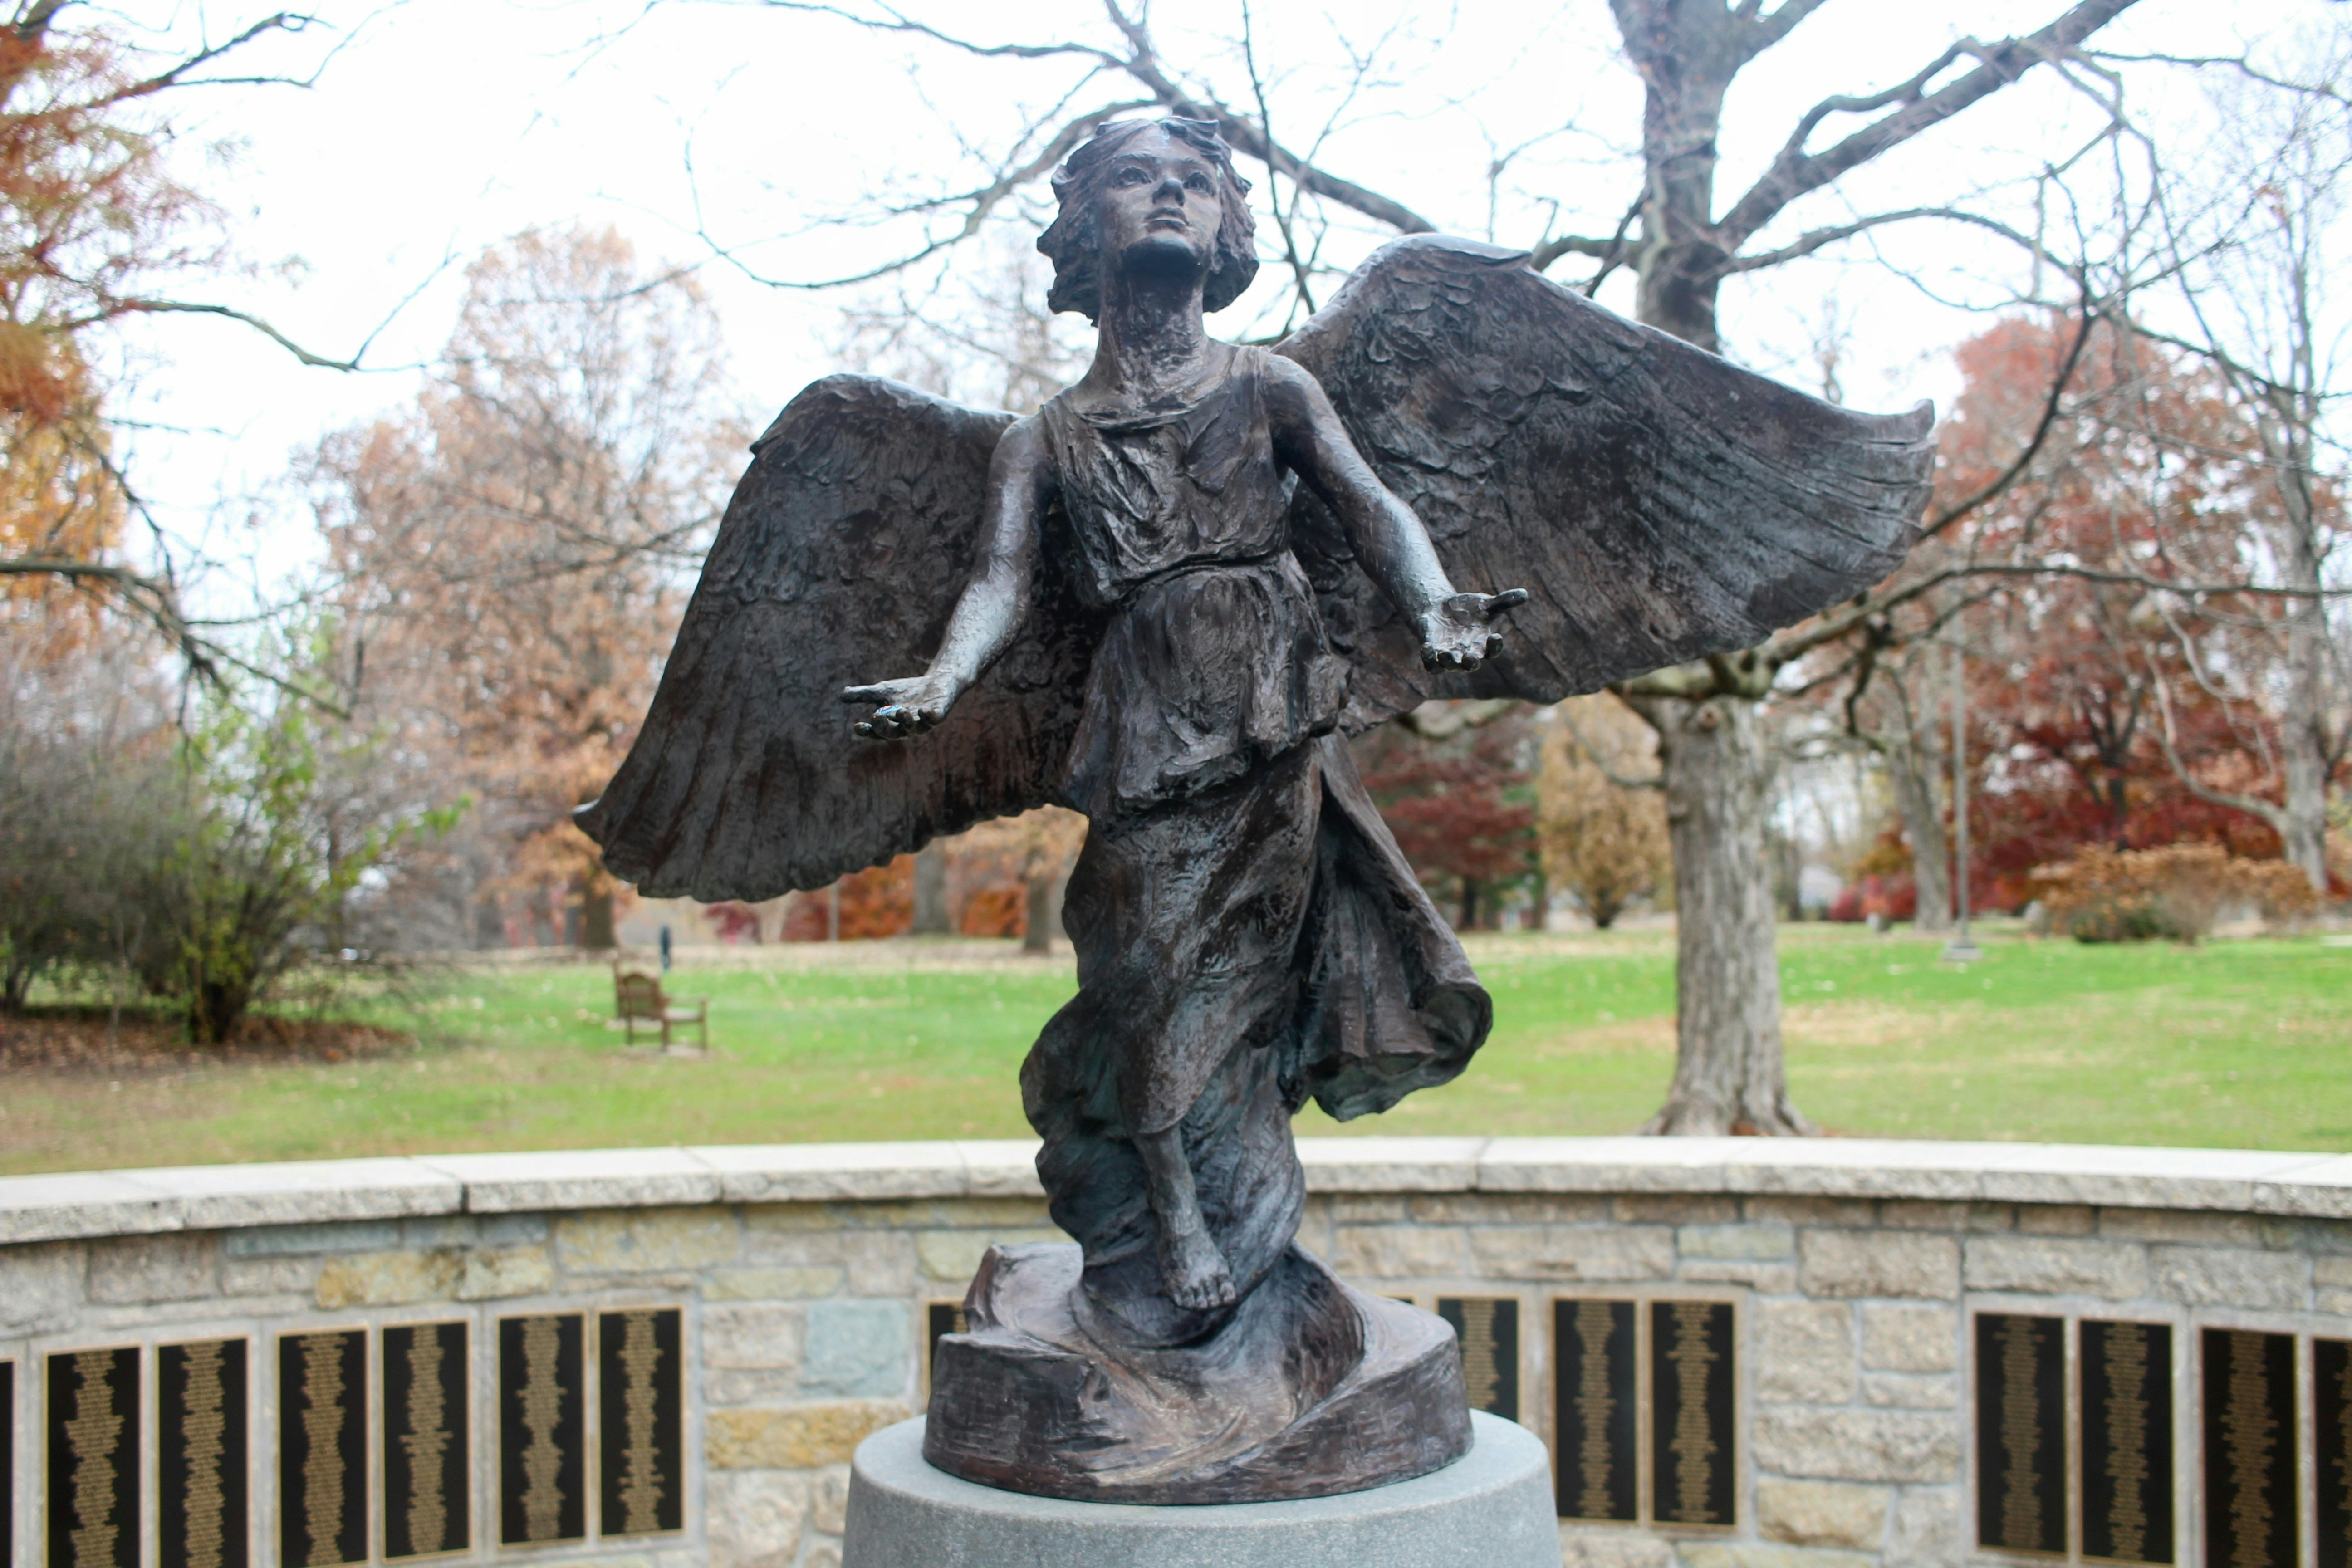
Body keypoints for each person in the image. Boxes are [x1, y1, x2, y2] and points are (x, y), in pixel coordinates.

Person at [845, 118, 1521, 1320]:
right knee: (1146, 974)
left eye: (1195, 183)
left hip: (1274, 710)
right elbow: (1000, 581)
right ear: (1083, 225)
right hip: (1148, 724)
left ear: (1223, 230)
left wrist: (1432, 599)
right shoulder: (1040, 439)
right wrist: (945, 678)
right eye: (1134, 180)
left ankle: (1233, 1220)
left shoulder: (1269, 385)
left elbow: (1371, 508)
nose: (1168, 197)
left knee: (1247, 973)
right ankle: (1165, 1204)